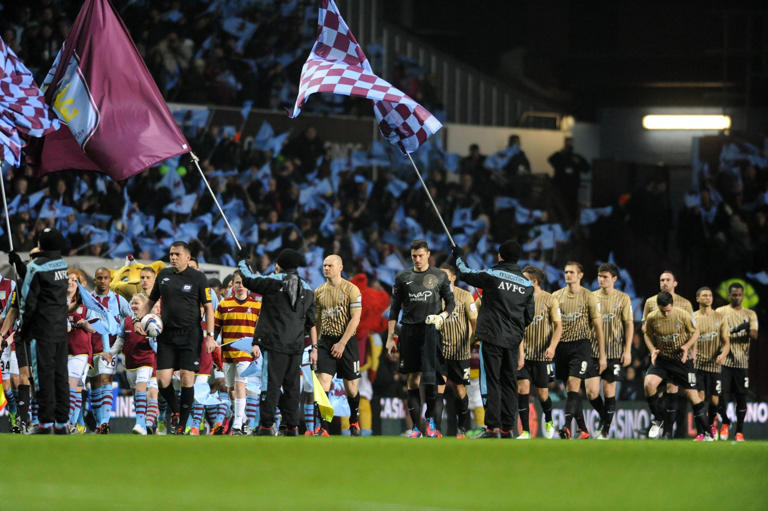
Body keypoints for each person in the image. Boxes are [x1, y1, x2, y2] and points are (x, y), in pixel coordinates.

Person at [454, 240, 534, 439]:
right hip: (513, 340)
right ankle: (507, 428)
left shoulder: (493, 275)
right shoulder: (527, 285)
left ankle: (492, 428)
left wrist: (458, 256)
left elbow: (464, 273)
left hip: (492, 336)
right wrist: (514, 326)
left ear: (500, 256)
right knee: (509, 382)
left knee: (492, 381)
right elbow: (529, 316)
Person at [238, 248, 316, 436]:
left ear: (279, 265)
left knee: (270, 385)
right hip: (296, 346)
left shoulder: (274, 282)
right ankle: (292, 427)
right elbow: (311, 321)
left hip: (275, 344)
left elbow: (248, 280)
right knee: (292, 387)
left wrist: (242, 260)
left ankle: (266, 426)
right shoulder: (308, 289)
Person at [141, 241, 216, 435]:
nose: (173, 257)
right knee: (162, 381)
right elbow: (150, 301)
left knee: (186, 378)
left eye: (177, 254)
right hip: (166, 335)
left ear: (187, 257)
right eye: (171, 254)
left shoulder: (199, 278)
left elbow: (209, 308)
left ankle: (182, 425)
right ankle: (176, 410)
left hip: (190, 335)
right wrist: (138, 320)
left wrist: (210, 336)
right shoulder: (163, 276)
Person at [385, 240, 455, 438]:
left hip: (431, 332)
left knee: (431, 379)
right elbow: (394, 309)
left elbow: (451, 303)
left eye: (420, 255)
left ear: (428, 254)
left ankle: (430, 421)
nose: (417, 259)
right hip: (408, 332)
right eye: (414, 256)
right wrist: (390, 338)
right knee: (413, 379)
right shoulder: (402, 277)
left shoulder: (440, 276)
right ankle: (416, 427)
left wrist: (442, 316)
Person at [18, 228, 69, 434]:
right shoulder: (62, 265)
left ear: (42, 244)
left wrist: (24, 330)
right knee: (61, 376)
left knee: (43, 377)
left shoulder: (35, 267)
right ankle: (62, 423)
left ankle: (45, 423)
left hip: (42, 331)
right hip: (61, 330)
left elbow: (27, 301)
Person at [643, 291, 710, 441]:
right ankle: (658, 419)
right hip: (663, 359)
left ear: (672, 305)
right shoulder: (652, 317)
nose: (666, 314)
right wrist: (652, 350)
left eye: (668, 310)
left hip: (681, 360)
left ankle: (708, 433)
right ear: (658, 307)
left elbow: (695, 332)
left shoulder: (682, 315)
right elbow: (646, 334)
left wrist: (686, 347)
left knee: (692, 395)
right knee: (648, 384)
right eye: (663, 311)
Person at [552, 261, 605, 439]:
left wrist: (602, 355)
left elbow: (598, 327)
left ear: (580, 275)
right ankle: (583, 429)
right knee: (570, 389)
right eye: (566, 272)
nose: (568, 275)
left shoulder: (589, 297)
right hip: (561, 347)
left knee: (574, 384)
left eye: (572, 272)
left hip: (581, 346)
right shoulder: (556, 296)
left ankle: (566, 426)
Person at [312, 255, 363, 436]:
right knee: (323, 382)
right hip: (326, 342)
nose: (326, 268)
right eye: (324, 265)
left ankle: (354, 421)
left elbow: (355, 318)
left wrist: (342, 343)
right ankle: (324, 426)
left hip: (347, 342)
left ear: (340, 267)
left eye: (330, 265)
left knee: (352, 388)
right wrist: (315, 346)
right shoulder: (319, 291)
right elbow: (317, 321)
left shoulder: (352, 290)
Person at [589, 263, 634, 439]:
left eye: (605, 277)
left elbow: (629, 324)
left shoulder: (623, 298)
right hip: (593, 351)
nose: (601, 280)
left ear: (614, 279)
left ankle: (605, 430)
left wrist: (627, 350)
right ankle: (605, 417)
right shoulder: (591, 297)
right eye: (599, 276)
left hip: (614, 352)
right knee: (592, 392)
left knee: (609, 391)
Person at [213, 270, 261, 435]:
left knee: (241, 385)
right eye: (237, 283)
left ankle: (237, 424)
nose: (240, 286)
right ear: (232, 285)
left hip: (246, 352)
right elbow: (216, 327)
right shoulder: (224, 304)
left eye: (243, 283)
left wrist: (257, 344)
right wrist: (213, 341)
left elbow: (260, 329)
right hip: (228, 353)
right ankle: (244, 417)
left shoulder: (256, 305)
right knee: (231, 390)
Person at [517, 265, 561, 439]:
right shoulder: (519, 299)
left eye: (524, 279)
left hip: (542, 355)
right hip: (524, 354)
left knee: (543, 394)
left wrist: (552, 347)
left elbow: (558, 326)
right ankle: (525, 431)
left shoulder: (550, 299)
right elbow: (519, 329)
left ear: (534, 281)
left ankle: (548, 419)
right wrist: (520, 353)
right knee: (523, 388)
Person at [87, 266, 131, 434]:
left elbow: (130, 318)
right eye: (99, 278)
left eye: (106, 278)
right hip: (90, 347)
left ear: (110, 280)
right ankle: (99, 423)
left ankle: (105, 422)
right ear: (95, 280)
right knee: (95, 384)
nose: (103, 281)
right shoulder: (87, 299)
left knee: (106, 379)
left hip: (109, 349)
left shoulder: (119, 300)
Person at [437, 264, 477, 438]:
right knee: (437, 390)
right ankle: (436, 430)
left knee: (460, 390)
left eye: (445, 275)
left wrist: (470, 342)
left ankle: (463, 428)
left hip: (461, 353)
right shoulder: (435, 297)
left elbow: (474, 321)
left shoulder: (465, 296)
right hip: (441, 351)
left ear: (453, 278)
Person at [715, 283, 758, 441]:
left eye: (739, 295)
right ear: (729, 295)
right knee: (719, 395)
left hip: (742, 362)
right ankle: (725, 421)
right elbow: (716, 332)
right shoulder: (721, 312)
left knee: (741, 398)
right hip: (725, 361)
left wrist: (745, 329)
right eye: (734, 295)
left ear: (743, 296)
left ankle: (739, 431)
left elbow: (754, 335)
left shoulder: (750, 314)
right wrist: (734, 331)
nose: (737, 298)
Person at [110, 293, 157, 435]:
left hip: (146, 361)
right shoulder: (126, 321)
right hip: (130, 363)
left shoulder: (151, 320)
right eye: (132, 303)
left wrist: (150, 337)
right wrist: (110, 353)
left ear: (145, 305)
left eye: (137, 303)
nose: (134, 306)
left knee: (143, 389)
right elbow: (120, 340)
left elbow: (157, 345)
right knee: (136, 394)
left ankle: (141, 423)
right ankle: (144, 423)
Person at [693, 287, 730, 440]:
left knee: (715, 399)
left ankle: (710, 425)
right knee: (699, 397)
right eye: (704, 295)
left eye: (710, 295)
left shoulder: (720, 317)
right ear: (697, 299)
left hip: (715, 365)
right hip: (698, 365)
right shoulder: (693, 317)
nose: (708, 298)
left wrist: (723, 354)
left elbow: (726, 342)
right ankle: (701, 432)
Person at [65, 269, 98, 434]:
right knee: (72, 388)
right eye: (68, 279)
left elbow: (94, 328)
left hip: (80, 351)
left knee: (73, 385)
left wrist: (85, 324)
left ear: (79, 284)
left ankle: (69, 423)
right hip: (61, 350)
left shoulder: (85, 303)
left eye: (74, 279)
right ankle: (77, 424)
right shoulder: (56, 302)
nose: (70, 282)